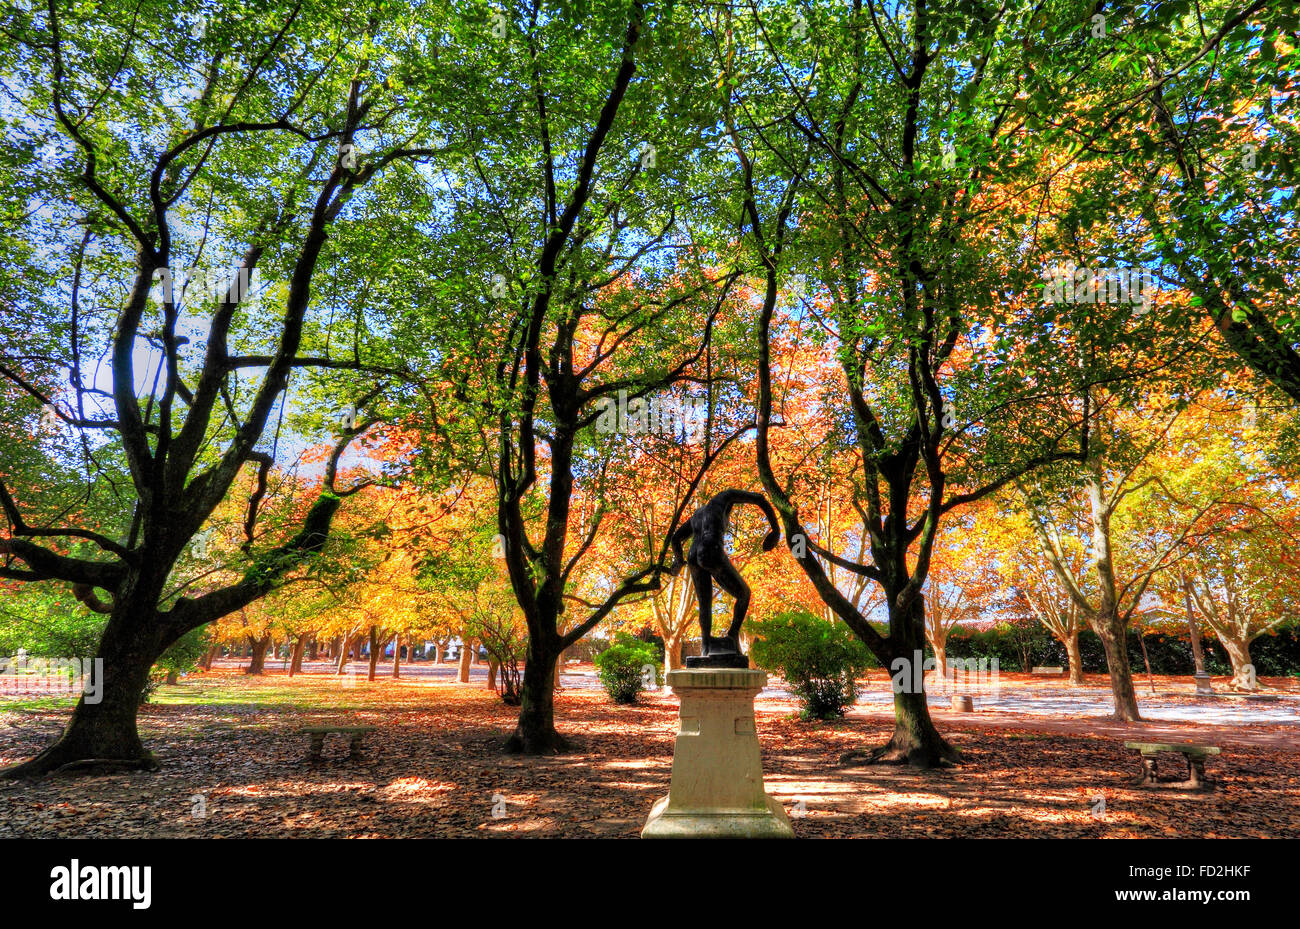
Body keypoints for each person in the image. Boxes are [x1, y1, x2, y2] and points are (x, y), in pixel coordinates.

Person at [670, 489, 780, 658]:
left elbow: (676, 538)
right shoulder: (723, 498)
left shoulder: (697, 515)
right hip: (710, 550)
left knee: (704, 603)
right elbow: (759, 498)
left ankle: (706, 646)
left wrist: (679, 560)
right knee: (744, 594)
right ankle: (732, 635)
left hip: (693, 557)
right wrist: (775, 531)